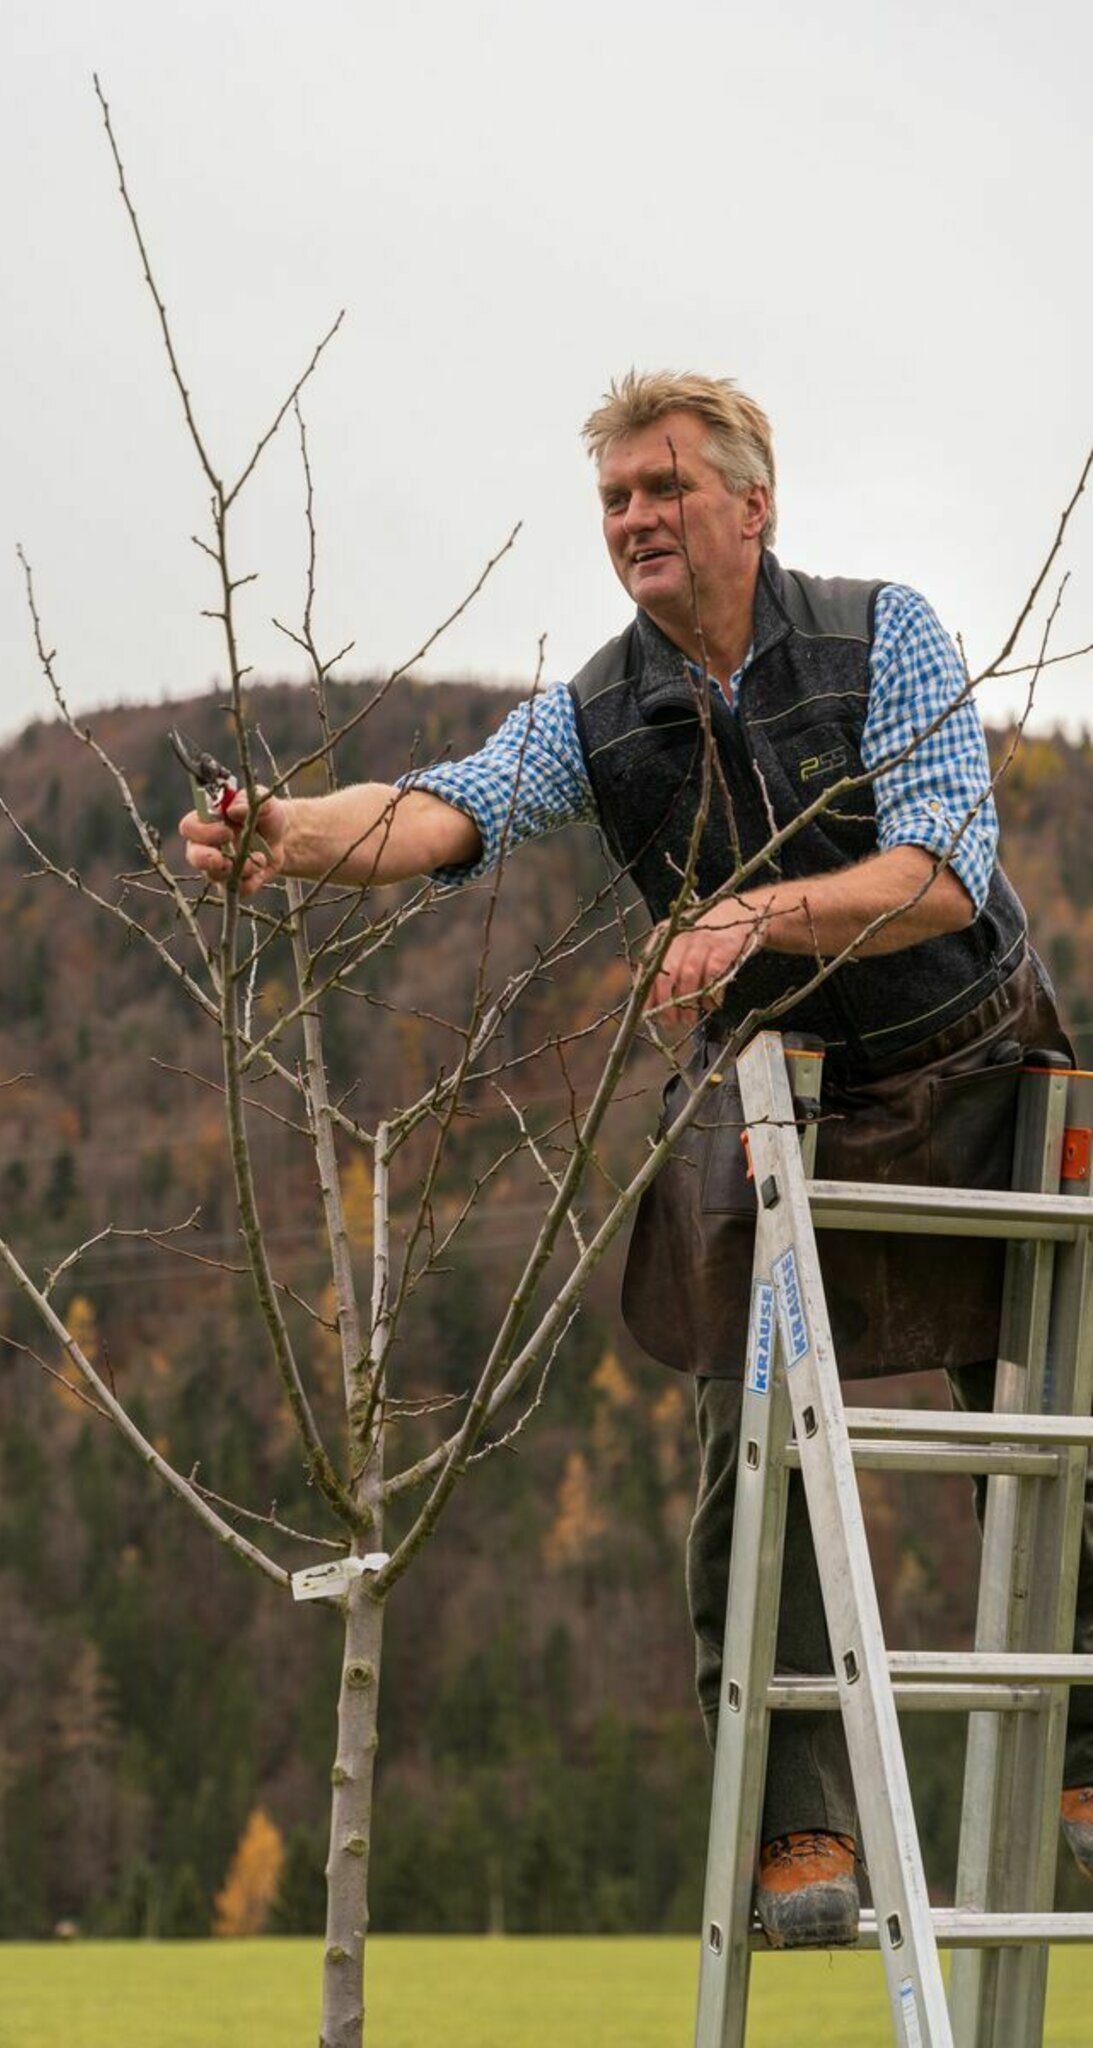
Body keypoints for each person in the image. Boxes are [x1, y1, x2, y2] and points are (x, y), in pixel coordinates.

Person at [180, 371, 1093, 1947]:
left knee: (1069, 1417)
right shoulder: (598, 711)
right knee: (747, 1448)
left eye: (664, 488)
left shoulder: (887, 636)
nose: (635, 519)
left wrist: (753, 910)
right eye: (613, 500)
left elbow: (944, 868)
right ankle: (799, 1831)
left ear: (753, 503)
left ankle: (1086, 1762)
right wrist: (288, 839)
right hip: (778, 1106)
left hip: (974, 1067)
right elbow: (445, 810)